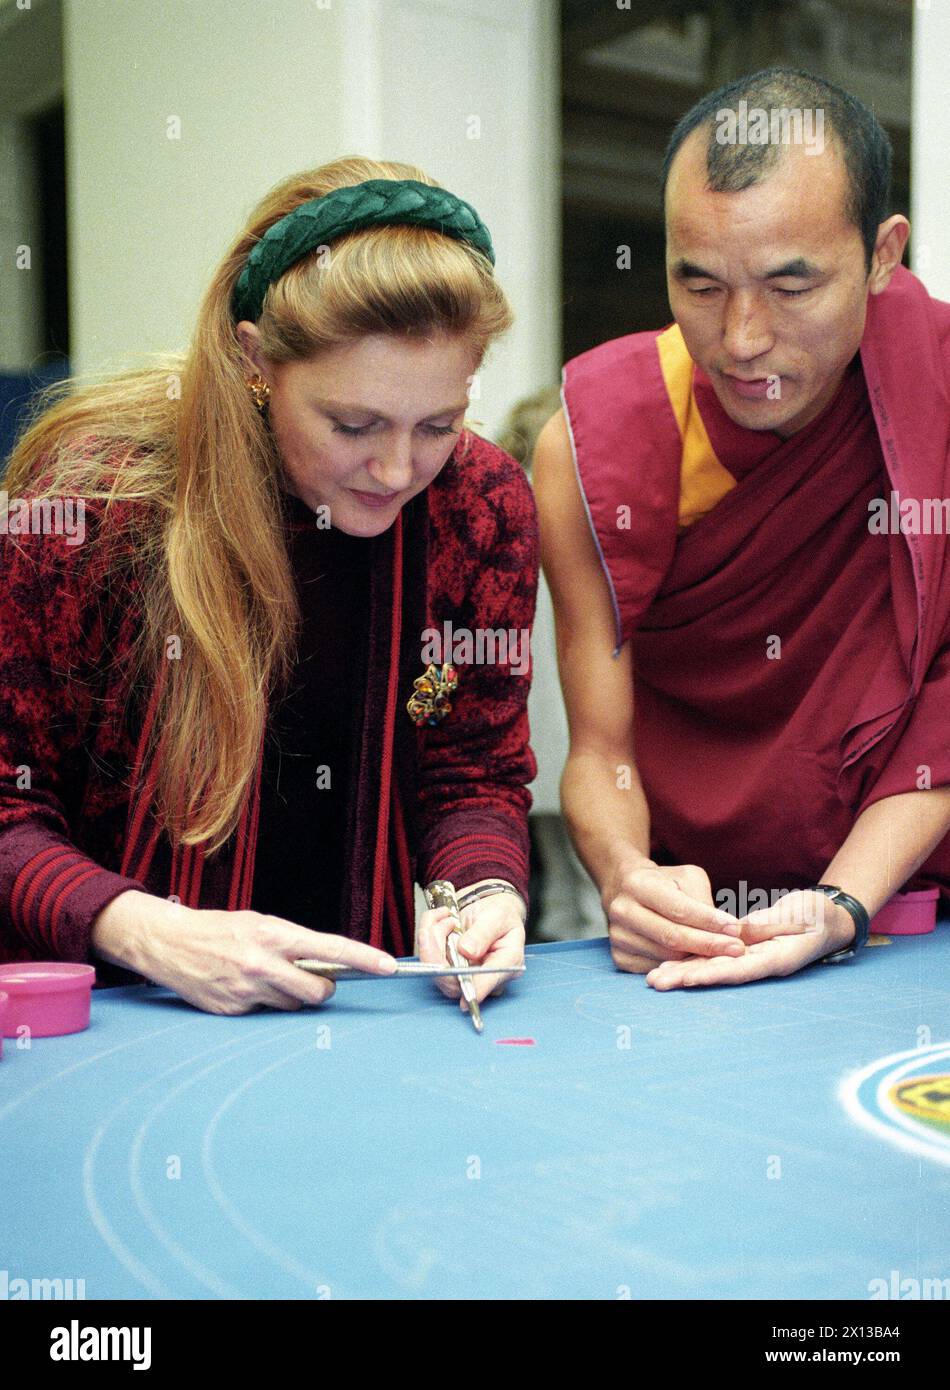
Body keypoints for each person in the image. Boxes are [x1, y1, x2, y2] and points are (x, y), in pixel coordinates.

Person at [0, 156, 537, 1017]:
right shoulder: (93, 498)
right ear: (256, 360)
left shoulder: (482, 504)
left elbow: (470, 772)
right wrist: (147, 931)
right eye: (353, 424)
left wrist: (480, 894)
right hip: (114, 1019)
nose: (398, 469)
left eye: (439, 423)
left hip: (376, 1010)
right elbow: (7, 802)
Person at [534, 68, 950, 990]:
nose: (742, 339)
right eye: (701, 284)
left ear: (884, 253)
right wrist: (630, 882)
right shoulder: (602, 445)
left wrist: (840, 906)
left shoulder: (942, 396)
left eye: (791, 285)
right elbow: (601, 749)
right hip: (704, 934)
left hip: (920, 927)